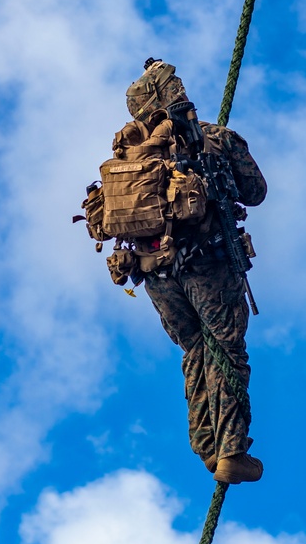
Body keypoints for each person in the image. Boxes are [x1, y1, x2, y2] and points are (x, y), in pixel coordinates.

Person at [85, 59, 266, 486]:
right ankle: (232, 450)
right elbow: (255, 191)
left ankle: (206, 447)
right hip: (208, 263)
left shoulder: (127, 156)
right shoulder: (212, 138)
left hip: (154, 274)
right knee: (226, 349)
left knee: (194, 351)